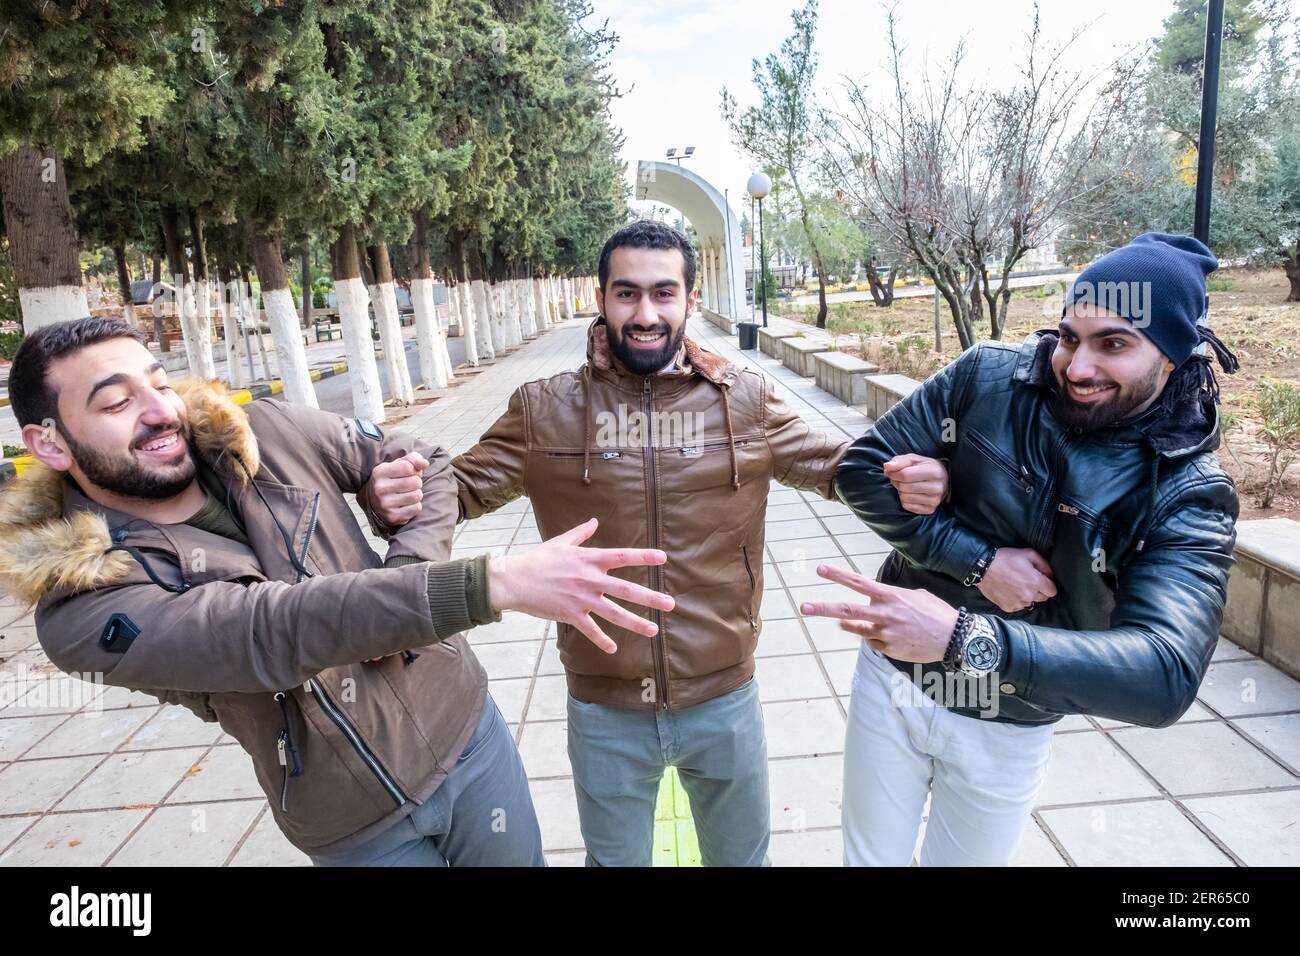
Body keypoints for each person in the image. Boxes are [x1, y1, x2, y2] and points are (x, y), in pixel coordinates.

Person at [0, 316, 673, 866]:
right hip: (354, 824)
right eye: (117, 403)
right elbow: (268, 632)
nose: (159, 412)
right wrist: (487, 584)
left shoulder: (267, 433)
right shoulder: (83, 604)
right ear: (49, 444)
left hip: (468, 735)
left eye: (158, 384)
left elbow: (426, 465)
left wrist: (398, 538)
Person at [450, 219, 947, 865]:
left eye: (664, 293)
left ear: (690, 297)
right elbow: (454, 489)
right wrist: (388, 486)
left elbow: (843, 468)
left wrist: (917, 475)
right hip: (605, 708)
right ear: (600, 299)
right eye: (627, 293)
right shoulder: (544, 409)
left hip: (725, 702)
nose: (646, 312)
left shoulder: (745, 401)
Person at [805, 232, 1241, 866]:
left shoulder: (1188, 491)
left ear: (1174, 356)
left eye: (1114, 343)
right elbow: (863, 469)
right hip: (892, 679)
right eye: (1069, 337)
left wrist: (963, 639)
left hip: (1009, 720)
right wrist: (974, 558)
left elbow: (1163, 674)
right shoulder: (989, 377)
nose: (1079, 366)